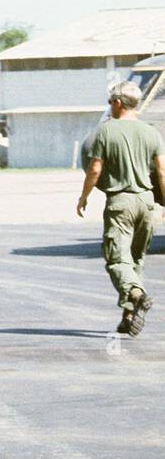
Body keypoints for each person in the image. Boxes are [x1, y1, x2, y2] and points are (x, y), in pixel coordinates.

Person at [77, 80, 165, 336]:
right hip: (147, 202)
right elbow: (161, 171)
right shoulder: (151, 132)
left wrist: (84, 196)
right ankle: (128, 316)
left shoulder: (105, 131)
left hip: (121, 202)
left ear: (117, 103)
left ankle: (136, 293)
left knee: (117, 259)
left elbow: (95, 168)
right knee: (135, 260)